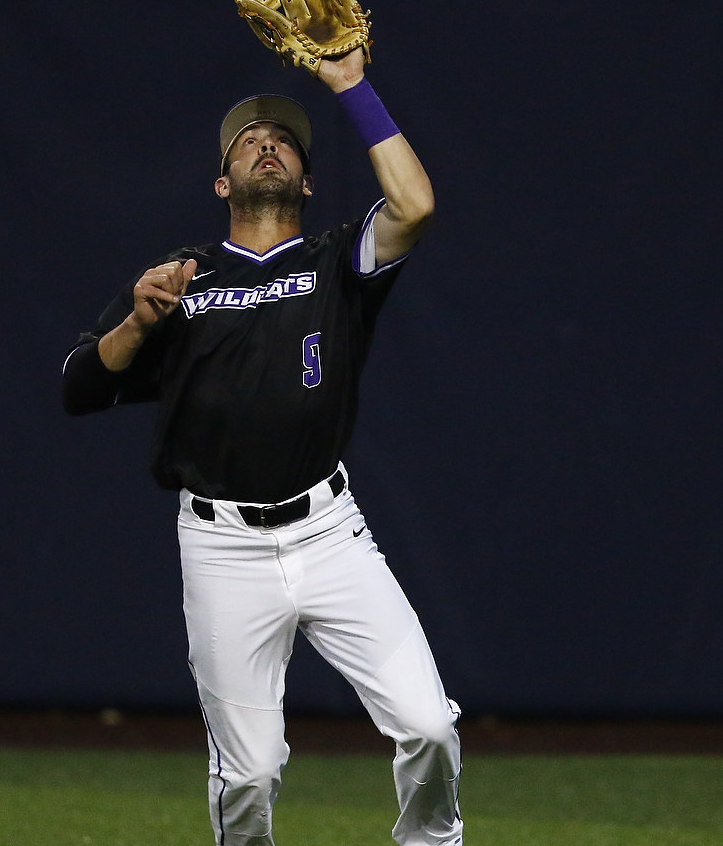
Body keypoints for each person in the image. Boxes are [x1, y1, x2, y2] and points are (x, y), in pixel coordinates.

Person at [61, 48, 462, 846]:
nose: (268, 143)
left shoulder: (335, 264)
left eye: (284, 139)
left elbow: (413, 205)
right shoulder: (182, 279)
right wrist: (140, 321)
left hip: (328, 532)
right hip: (222, 547)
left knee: (428, 726)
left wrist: (351, 87)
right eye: (248, 141)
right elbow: (79, 387)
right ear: (223, 183)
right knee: (247, 775)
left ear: (307, 182)